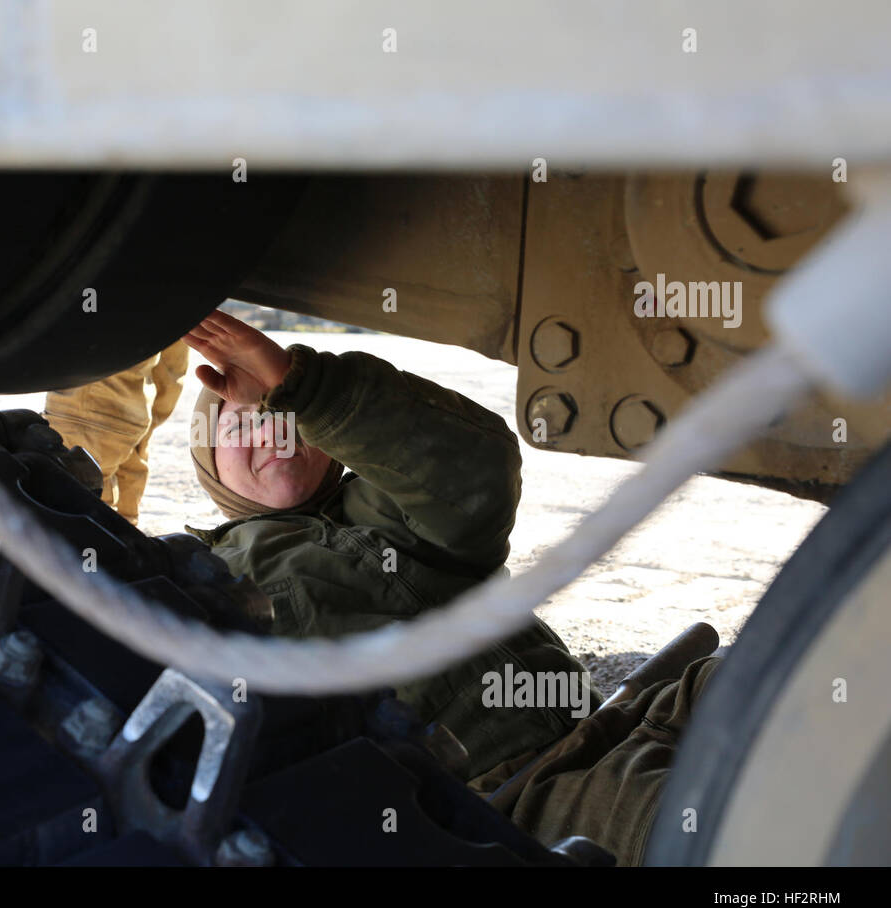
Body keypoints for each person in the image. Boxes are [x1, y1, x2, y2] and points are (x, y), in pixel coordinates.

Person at [181, 309, 721, 866]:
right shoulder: (211, 577)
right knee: (725, 824)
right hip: (519, 799)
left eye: (288, 417)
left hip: (618, 718)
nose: (272, 434)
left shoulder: (387, 500)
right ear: (208, 461)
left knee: (768, 682)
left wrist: (307, 387)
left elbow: (476, 470)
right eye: (241, 426)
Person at [44, 341, 189, 527]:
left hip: (92, 405)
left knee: (81, 494)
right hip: (130, 406)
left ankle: (104, 534)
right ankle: (121, 532)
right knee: (119, 515)